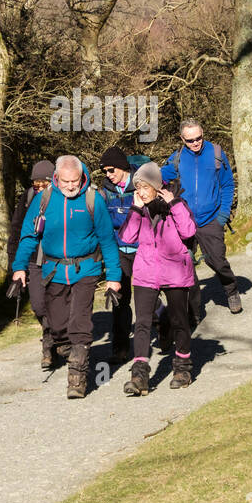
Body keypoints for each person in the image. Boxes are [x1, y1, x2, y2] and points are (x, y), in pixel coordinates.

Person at [10, 156, 122, 399]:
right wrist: (19, 268)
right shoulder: (44, 200)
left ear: (82, 177)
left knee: (80, 322)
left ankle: (77, 379)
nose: (71, 186)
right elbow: (29, 236)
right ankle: (65, 348)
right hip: (54, 270)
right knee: (58, 325)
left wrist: (114, 276)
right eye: (66, 181)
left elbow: (107, 240)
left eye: (75, 181)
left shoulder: (93, 200)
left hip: (86, 270)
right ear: (56, 178)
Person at [119, 163, 198, 395]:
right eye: (138, 188)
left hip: (175, 271)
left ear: (156, 186)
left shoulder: (177, 204)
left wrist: (173, 204)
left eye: (145, 187)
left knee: (179, 320)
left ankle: (182, 368)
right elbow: (126, 237)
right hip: (146, 272)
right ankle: (139, 375)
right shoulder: (138, 209)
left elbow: (189, 231)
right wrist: (134, 209)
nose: (142, 192)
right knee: (143, 322)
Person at [161, 119, 240, 319]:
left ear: (203, 133)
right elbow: (158, 178)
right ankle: (193, 312)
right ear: (182, 139)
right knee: (185, 266)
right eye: (190, 140)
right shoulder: (176, 159)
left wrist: (222, 215)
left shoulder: (216, 154)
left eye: (198, 138)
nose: (195, 143)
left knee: (217, 261)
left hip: (211, 219)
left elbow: (228, 185)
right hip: (183, 221)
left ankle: (231, 289)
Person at [97, 146, 155, 365]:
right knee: (119, 301)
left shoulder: (141, 185)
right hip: (119, 250)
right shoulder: (105, 191)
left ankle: (163, 325)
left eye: (111, 170)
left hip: (142, 249)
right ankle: (120, 349)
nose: (108, 174)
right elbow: (103, 223)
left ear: (122, 167)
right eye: (105, 171)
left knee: (147, 300)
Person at [8, 159, 58, 369]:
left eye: (43, 185)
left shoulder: (61, 199)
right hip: (33, 261)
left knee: (57, 303)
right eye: (35, 185)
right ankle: (51, 336)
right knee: (38, 306)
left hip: (57, 260)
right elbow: (17, 228)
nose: (38, 189)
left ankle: (49, 345)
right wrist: (15, 262)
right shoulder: (27, 198)